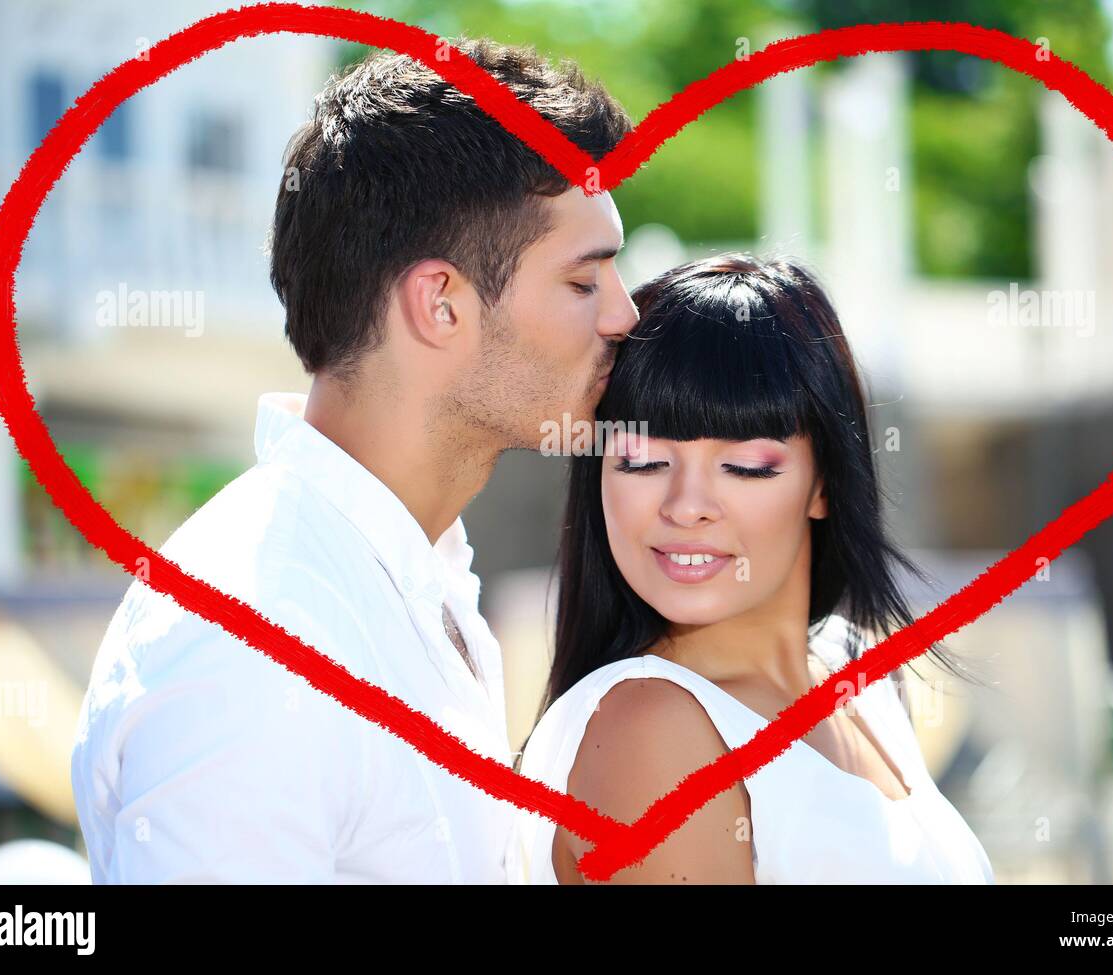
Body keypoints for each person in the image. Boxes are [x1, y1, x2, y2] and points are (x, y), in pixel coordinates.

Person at [70, 37, 638, 883]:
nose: (624, 314)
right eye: (585, 280)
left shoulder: (405, 574)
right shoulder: (261, 635)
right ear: (441, 304)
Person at [507, 254, 996, 884]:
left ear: (824, 484)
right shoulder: (650, 730)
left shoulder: (859, 678)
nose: (685, 508)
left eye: (745, 467)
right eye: (642, 462)